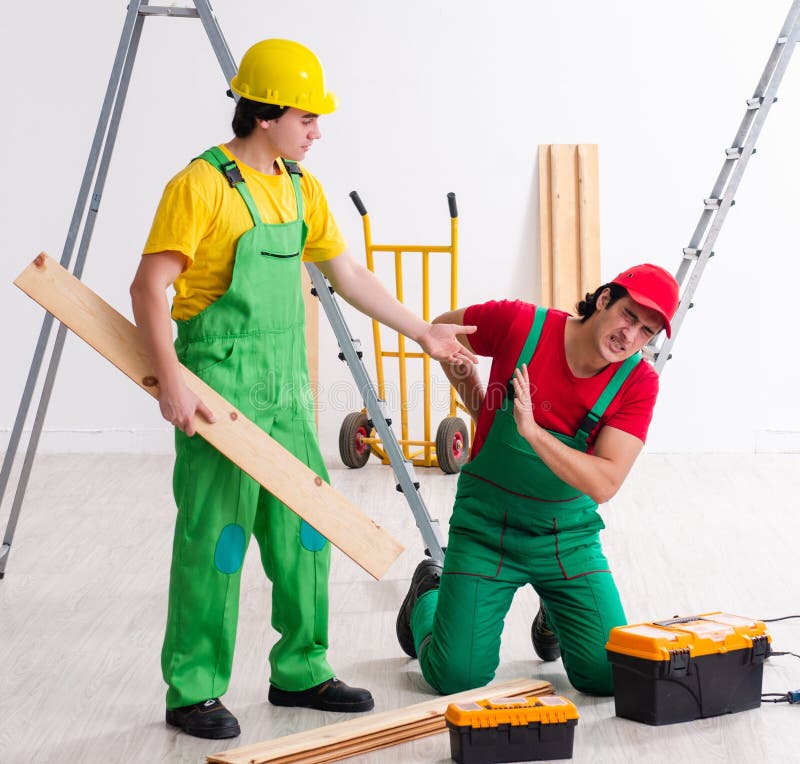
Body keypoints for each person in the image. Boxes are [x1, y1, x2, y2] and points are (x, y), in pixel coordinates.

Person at [129, 38, 476, 740]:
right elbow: (148, 287)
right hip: (216, 396)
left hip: (285, 395)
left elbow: (348, 276)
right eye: (307, 117)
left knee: (306, 534)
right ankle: (192, 688)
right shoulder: (199, 186)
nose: (317, 131)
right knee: (217, 542)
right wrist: (171, 382)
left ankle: (301, 671)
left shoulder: (298, 187)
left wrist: (423, 332)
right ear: (265, 115)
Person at [395, 264, 679, 697]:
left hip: (567, 540)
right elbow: (442, 330)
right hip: (485, 528)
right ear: (604, 299)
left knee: (609, 675)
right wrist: (481, 401)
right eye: (629, 315)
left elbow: (604, 482)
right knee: (455, 677)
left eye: (646, 331)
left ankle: (555, 609)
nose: (631, 336)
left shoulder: (638, 382)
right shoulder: (521, 324)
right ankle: (428, 595)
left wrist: (533, 432)